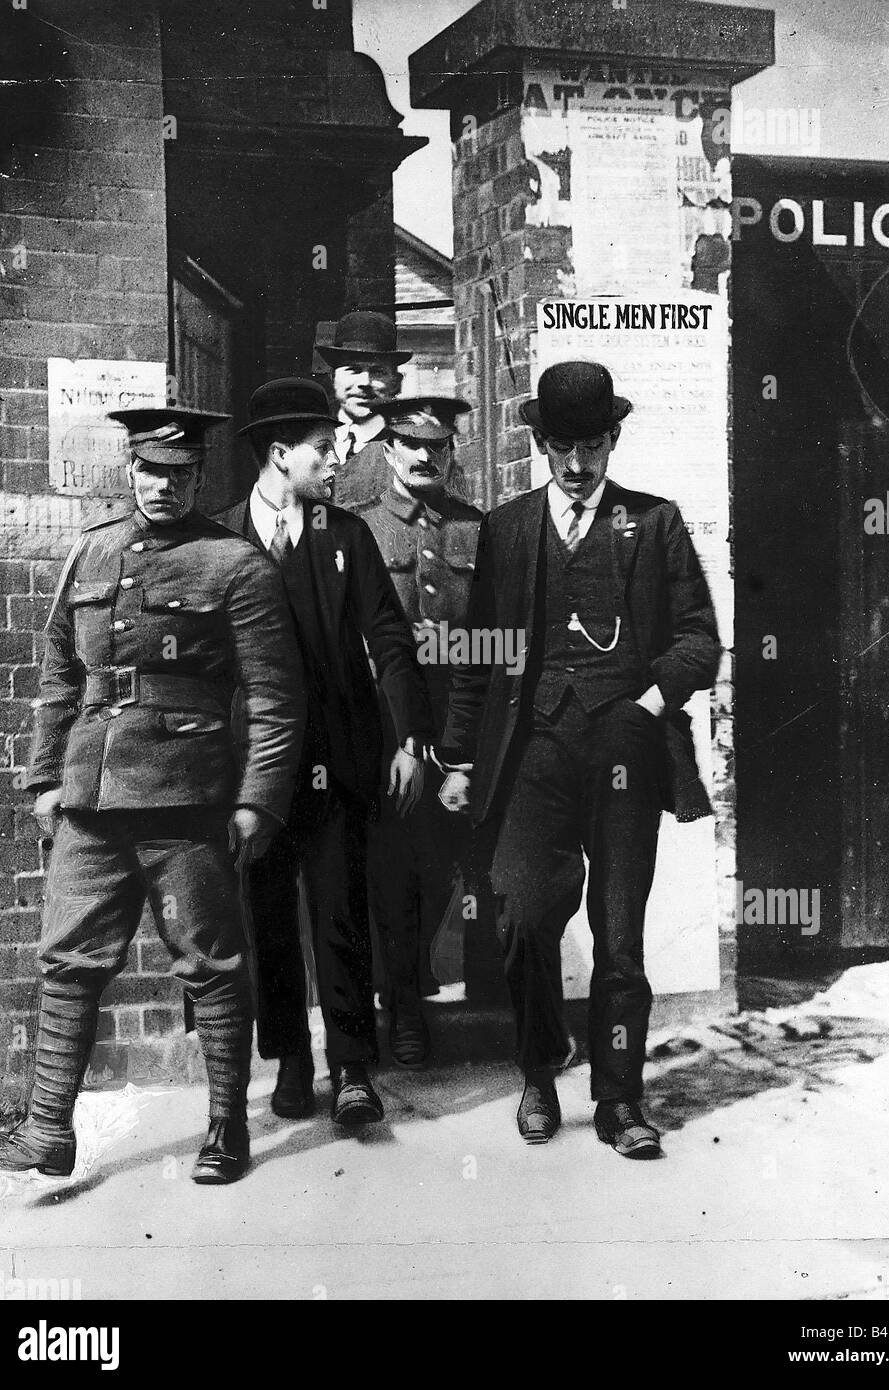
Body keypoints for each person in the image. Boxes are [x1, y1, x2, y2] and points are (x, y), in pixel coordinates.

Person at [0, 408, 305, 1185]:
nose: (161, 485)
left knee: (212, 966)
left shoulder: (234, 564)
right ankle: (47, 1131)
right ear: (129, 470)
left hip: (187, 804)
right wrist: (43, 779)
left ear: (199, 477)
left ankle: (226, 1128)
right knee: (67, 960)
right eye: (148, 470)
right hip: (90, 801)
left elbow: (275, 696)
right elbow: (62, 672)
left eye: (178, 473)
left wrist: (258, 801)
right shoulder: (93, 550)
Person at [436, 361, 721, 1158]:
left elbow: (699, 637)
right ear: (540, 442)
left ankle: (620, 1101)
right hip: (533, 753)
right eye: (561, 446)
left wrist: (650, 703)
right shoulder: (509, 528)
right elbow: (476, 654)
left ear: (612, 439)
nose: (576, 464)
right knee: (521, 914)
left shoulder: (654, 521)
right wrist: (458, 758)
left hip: (626, 747)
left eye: (590, 446)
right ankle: (537, 1067)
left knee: (620, 940)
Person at [214, 377, 433, 1126]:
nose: (337, 457)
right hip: (256, 770)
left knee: (341, 909)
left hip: (341, 756)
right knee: (267, 916)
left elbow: (390, 638)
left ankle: (351, 1067)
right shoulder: (222, 539)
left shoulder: (346, 536)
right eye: (322, 447)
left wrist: (408, 738)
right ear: (281, 454)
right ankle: (291, 1060)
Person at [356, 396, 486, 1066]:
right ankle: (401, 1007)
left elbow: (495, 640)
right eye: (410, 443)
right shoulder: (360, 529)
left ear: (449, 452)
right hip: (386, 726)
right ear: (388, 450)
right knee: (391, 870)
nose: (424, 455)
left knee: (446, 867)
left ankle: (432, 989)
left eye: (436, 446)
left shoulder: (475, 530)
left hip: (460, 722)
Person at [314, 309, 410, 510]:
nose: (364, 382)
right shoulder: (312, 443)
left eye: (378, 371)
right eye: (353, 369)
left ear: (396, 382)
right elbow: (315, 519)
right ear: (333, 377)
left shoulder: (412, 447)